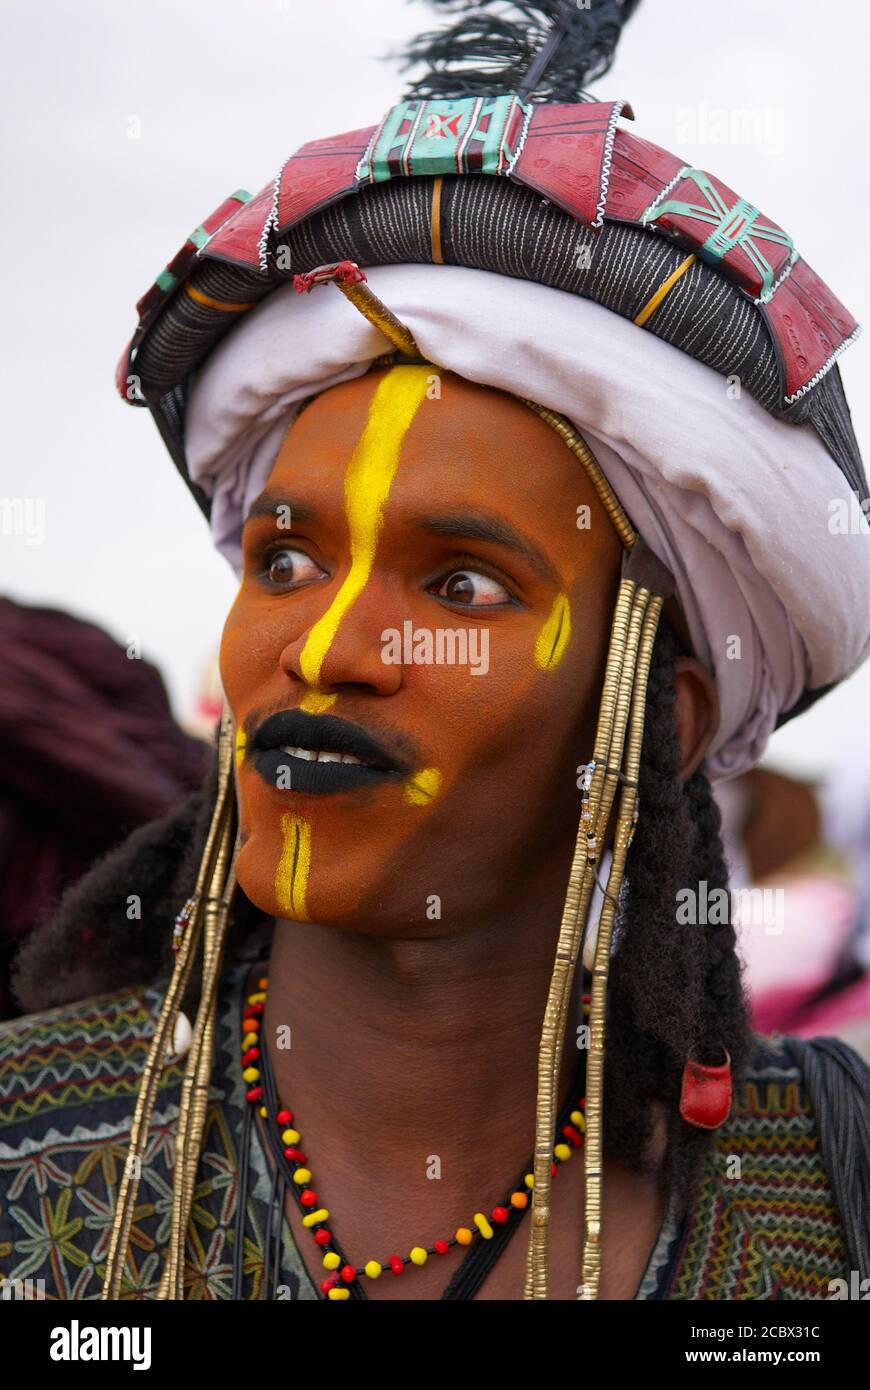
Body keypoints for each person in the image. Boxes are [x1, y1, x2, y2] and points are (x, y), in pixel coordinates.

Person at [2, 0, 869, 1302]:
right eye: (284, 561)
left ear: (667, 714)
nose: (330, 649)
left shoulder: (822, 1195)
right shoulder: (32, 1155)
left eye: (462, 581)